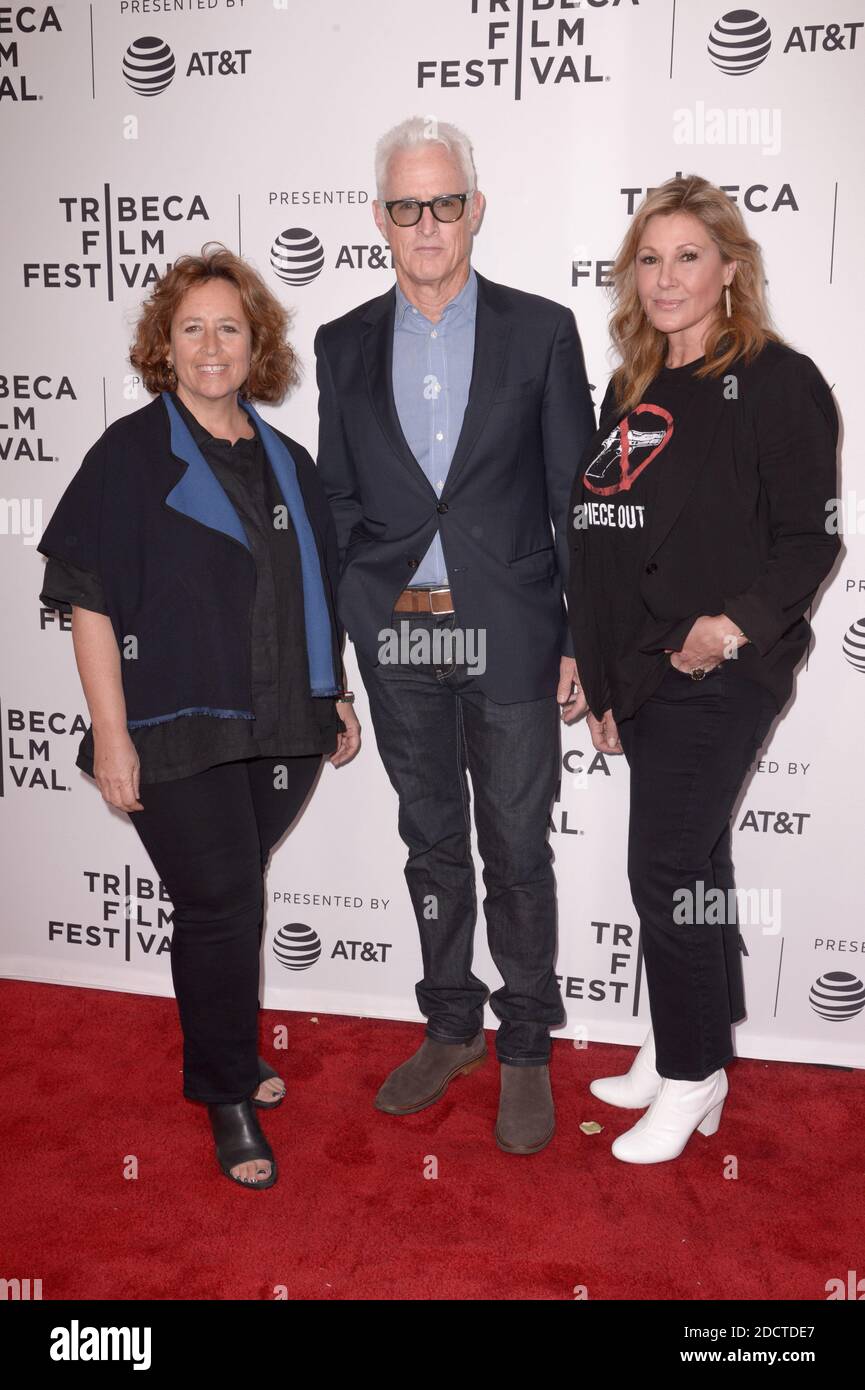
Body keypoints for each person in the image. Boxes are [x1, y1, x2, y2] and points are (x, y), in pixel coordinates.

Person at [37, 244, 361, 1190]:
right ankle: (222, 1090)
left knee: (233, 900)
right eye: (192, 328)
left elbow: (314, 588)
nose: (211, 345)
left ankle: (231, 1050)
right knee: (219, 904)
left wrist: (330, 690)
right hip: (172, 731)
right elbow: (88, 598)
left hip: (279, 729)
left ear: (254, 342)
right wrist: (111, 735)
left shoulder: (288, 462)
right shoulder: (129, 456)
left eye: (229, 326)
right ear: (164, 346)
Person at [314, 116, 595, 1154]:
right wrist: (339, 647)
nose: (425, 224)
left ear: (475, 209)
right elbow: (338, 505)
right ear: (379, 217)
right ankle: (449, 1024)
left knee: (517, 847)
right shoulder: (341, 344)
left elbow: (573, 495)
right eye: (404, 206)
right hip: (403, 638)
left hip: (513, 631)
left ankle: (525, 1044)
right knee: (430, 842)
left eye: (442, 203)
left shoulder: (542, 330)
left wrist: (580, 636)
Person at [567, 175, 840, 1164]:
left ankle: (689, 1079)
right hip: (640, 669)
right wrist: (595, 672)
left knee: (666, 867)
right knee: (697, 868)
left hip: (720, 671)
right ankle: (686, 1047)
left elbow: (808, 542)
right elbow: (599, 538)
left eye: (688, 255)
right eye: (649, 257)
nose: (666, 276)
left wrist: (727, 627)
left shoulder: (775, 378)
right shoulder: (629, 387)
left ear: (729, 269)